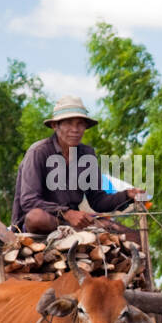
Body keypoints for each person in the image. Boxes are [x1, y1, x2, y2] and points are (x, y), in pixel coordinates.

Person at [11, 95, 147, 234]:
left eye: (80, 124)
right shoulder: (38, 152)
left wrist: (127, 195)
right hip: (43, 224)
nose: (75, 129)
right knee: (36, 217)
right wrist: (67, 214)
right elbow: (29, 201)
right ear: (54, 126)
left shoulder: (87, 154)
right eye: (69, 123)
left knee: (135, 236)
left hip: (74, 224)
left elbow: (98, 200)